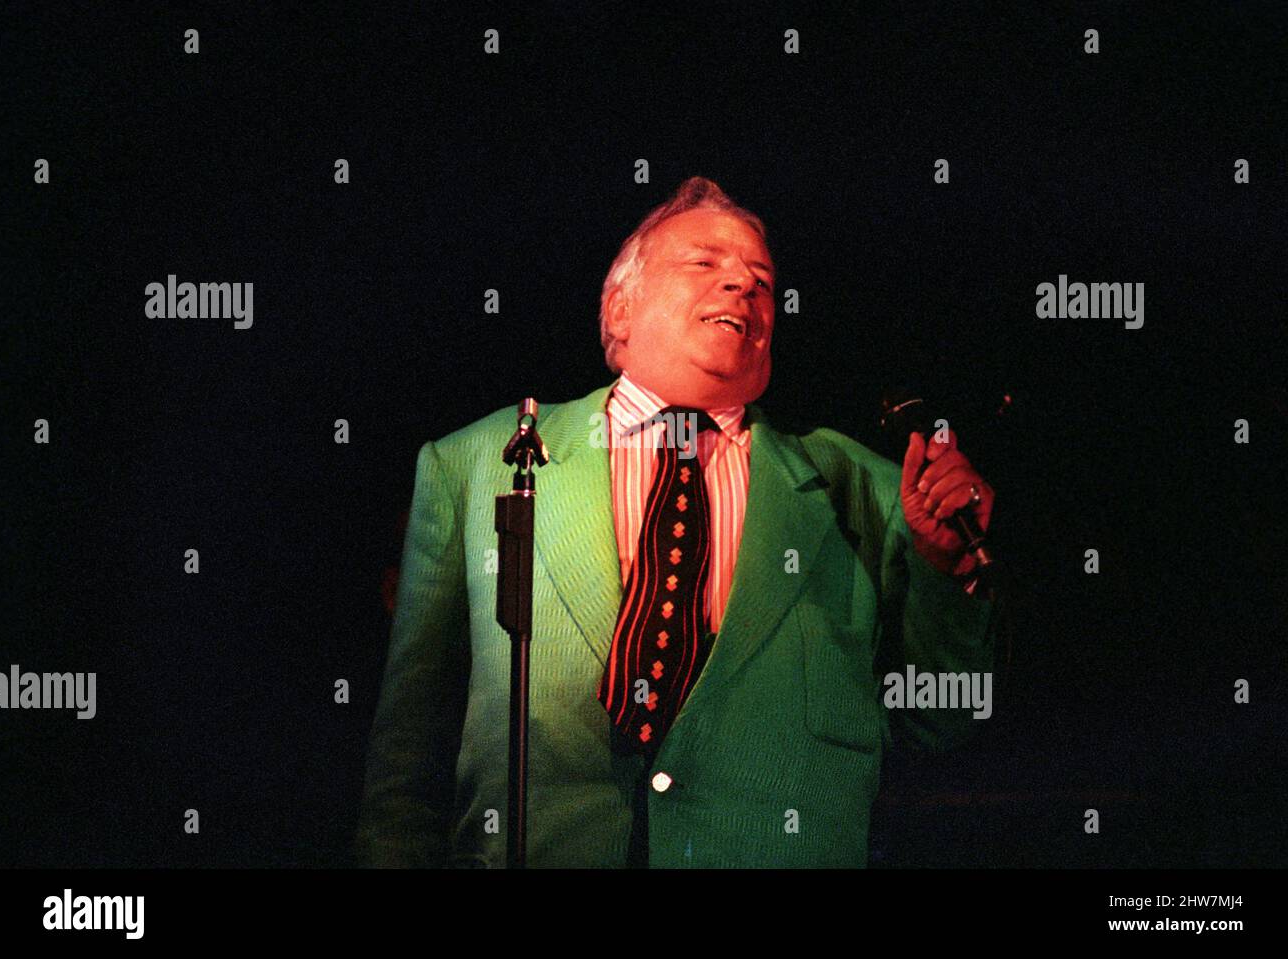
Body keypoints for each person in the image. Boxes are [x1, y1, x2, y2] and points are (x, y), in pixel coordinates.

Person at [356, 177, 997, 868]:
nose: (742, 287)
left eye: (762, 280)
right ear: (621, 307)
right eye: (705, 264)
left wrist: (942, 566)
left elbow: (942, 719)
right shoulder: (477, 463)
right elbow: (407, 758)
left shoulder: (862, 488)